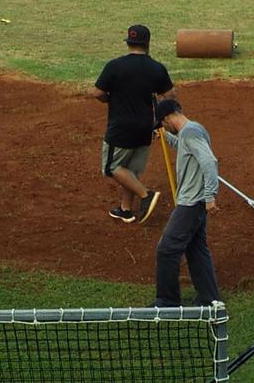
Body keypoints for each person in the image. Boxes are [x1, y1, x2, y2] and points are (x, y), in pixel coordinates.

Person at [89, 24, 171, 224]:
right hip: (145, 128)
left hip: (121, 128)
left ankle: (146, 195)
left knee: (112, 167)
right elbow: (170, 96)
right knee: (130, 170)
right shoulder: (156, 68)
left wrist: (108, 99)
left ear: (129, 42)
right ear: (147, 43)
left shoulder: (115, 66)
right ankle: (126, 210)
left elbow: (97, 93)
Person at [153, 98, 221, 307]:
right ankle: (210, 298)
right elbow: (185, 146)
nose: (164, 127)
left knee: (167, 248)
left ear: (167, 118)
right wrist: (166, 138)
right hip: (195, 201)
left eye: (163, 125)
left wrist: (210, 196)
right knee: (196, 249)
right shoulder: (191, 131)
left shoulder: (190, 132)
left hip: (192, 203)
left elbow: (209, 161)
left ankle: (168, 300)